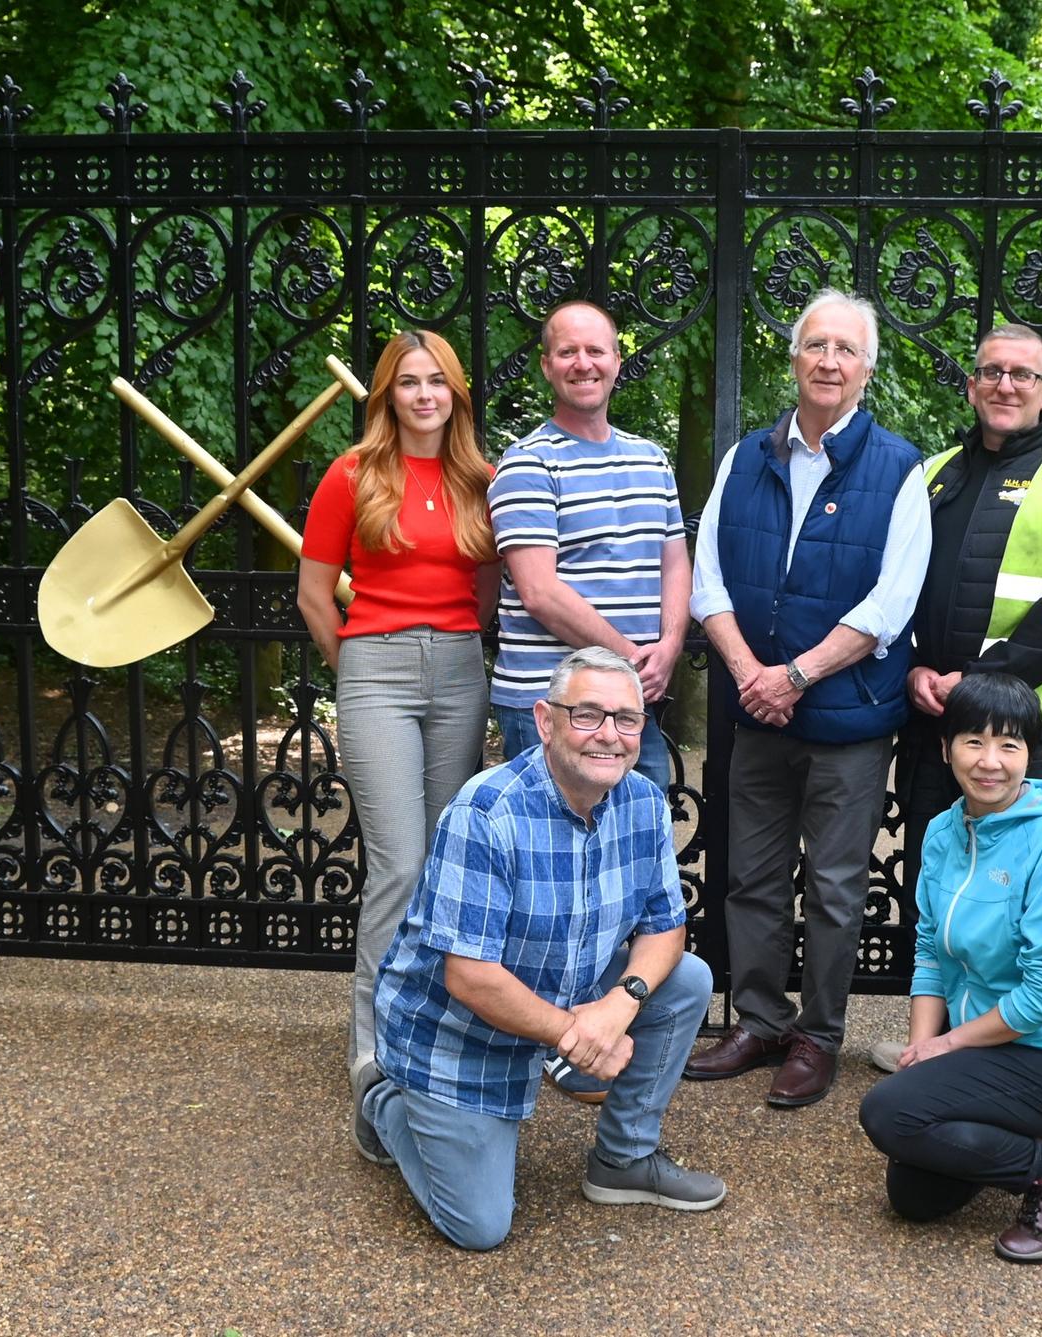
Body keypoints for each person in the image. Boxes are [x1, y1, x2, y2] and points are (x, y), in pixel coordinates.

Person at [361, 647, 724, 1251]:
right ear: (546, 721)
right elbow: (470, 978)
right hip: (456, 1033)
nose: (609, 735)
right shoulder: (486, 812)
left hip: (563, 986)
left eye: (626, 719)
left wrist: (619, 1007)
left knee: (685, 979)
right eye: (587, 715)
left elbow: (666, 927)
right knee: (479, 1228)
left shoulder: (642, 801)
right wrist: (576, 1038)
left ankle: (624, 1160)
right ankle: (385, 1099)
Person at [682, 288, 932, 1108]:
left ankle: (818, 1035)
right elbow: (708, 577)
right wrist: (753, 672)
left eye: (846, 349)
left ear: (867, 369)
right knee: (749, 876)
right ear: (792, 357)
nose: (829, 361)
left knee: (832, 885)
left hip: (848, 719)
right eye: (815, 344)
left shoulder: (900, 467)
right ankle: (756, 1019)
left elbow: (890, 605)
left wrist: (793, 675)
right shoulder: (744, 457)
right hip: (757, 708)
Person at [874, 324, 1042, 1074]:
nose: (1005, 385)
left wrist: (975, 687)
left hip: (1025, 731)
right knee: (941, 882)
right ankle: (934, 1044)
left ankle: (1028, 1044)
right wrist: (914, 662)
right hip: (934, 720)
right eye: (991, 372)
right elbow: (900, 584)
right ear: (973, 384)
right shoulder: (936, 472)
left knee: (1025, 894)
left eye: (1022, 374)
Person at [296, 329, 498, 1155]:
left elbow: (488, 589)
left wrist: (454, 651)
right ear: (386, 394)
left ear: (455, 394)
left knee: (449, 865)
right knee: (401, 864)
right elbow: (314, 593)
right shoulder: (352, 474)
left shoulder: (481, 480)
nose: (424, 395)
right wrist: (357, 671)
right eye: (408, 382)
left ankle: (438, 1041)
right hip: (374, 668)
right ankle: (373, 1066)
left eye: (437, 382)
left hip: (459, 667)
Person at [857, 672, 1042, 1263]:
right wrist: (918, 1051)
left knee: (886, 1113)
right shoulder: (945, 832)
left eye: (1009, 744)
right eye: (974, 741)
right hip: (979, 1043)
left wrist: (945, 1051)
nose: (990, 762)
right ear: (946, 747)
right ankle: (1016, 1135)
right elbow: (929, 949)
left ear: (1030, 752)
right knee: (915, 1197)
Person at [487, 299, 690, 794]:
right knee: (552, 860)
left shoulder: (651, 459)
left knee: (635, 849)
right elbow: (539, 592)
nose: (583, 363)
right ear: (546, 365)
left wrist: (669, 647)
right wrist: (629, 662)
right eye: (567, 351)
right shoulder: (526, 464)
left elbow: (676, 564)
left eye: (596, 350)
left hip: (629, 705)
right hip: (551, 706)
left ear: (617, 361)